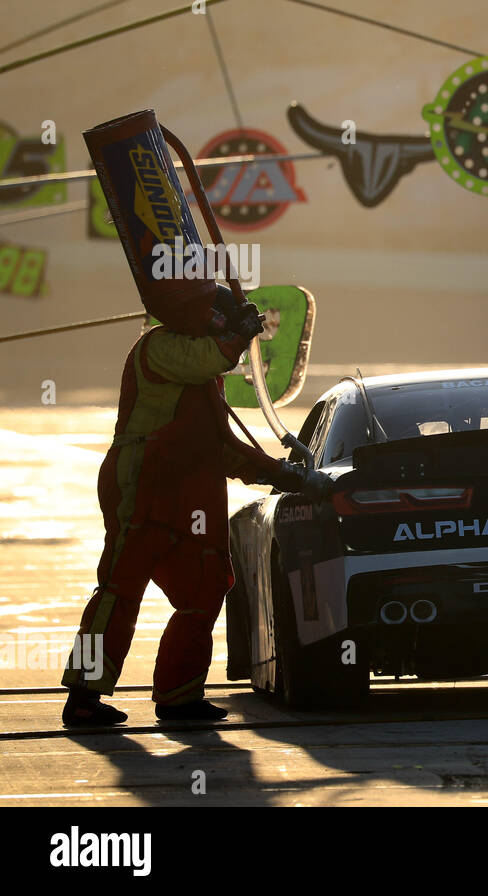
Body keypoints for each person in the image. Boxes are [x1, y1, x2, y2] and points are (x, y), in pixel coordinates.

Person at [61, 288, 331, 726]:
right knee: (120, 589)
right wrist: (239, 336)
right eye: (218, 317)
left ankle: (178, 696)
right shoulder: (161, 346)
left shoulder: (207, 376)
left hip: (183, 498)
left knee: (205, 587)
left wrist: (287, 475)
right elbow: (213, 358)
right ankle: (83, 696)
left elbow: (219, 448)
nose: (223, 326)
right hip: (140, 488)